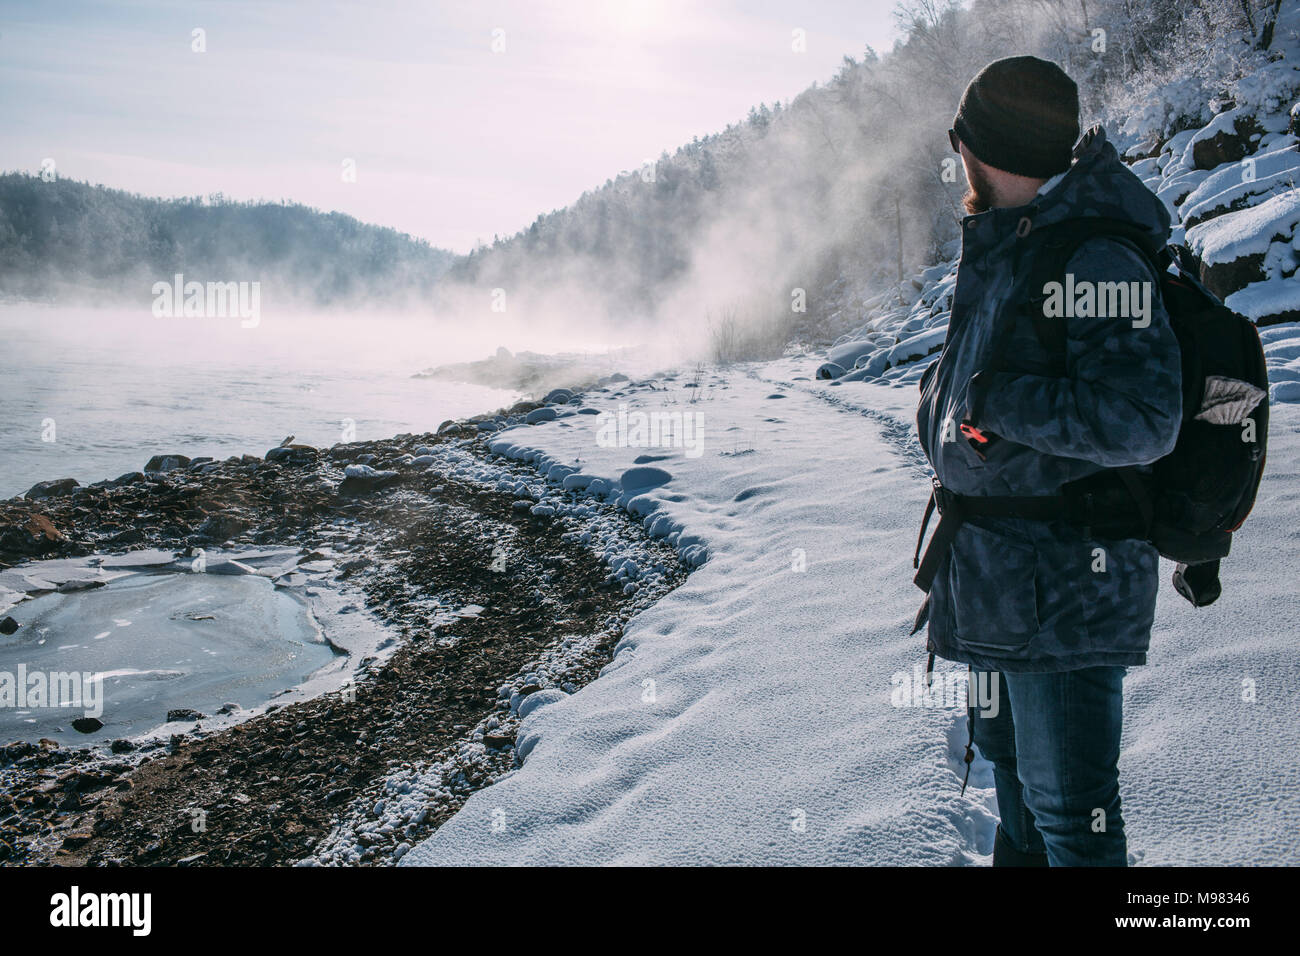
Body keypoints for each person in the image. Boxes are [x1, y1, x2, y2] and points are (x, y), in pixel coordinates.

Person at [913, 55, 1184, 866]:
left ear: (975, 147)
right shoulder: (1010, 245)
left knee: (1072, 817)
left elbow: (1146, 420)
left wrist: (997, 405)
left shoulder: (1092, 258)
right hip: (996, 584)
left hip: (1067, 595)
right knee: (1017, 797)